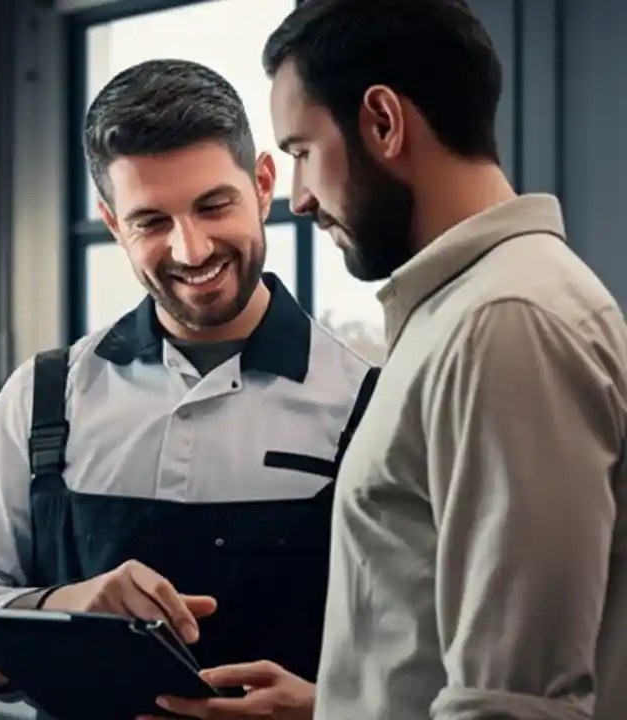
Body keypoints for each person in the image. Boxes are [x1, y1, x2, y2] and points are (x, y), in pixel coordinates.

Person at [153, 1, 627, 719]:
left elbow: (511, 703)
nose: (300, 199)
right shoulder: (461, 313)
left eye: (303, 150)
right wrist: (340, 704)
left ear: (382, 122)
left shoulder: (503, 321)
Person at [0, 58, 378, 715]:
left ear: (263, 184)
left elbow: (433, 646)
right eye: (151, 222)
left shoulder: (367, 405)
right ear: (112, 223)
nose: (191, 250)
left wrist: (330, 710)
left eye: (214, 206)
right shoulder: (46, 398)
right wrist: (60, 605)